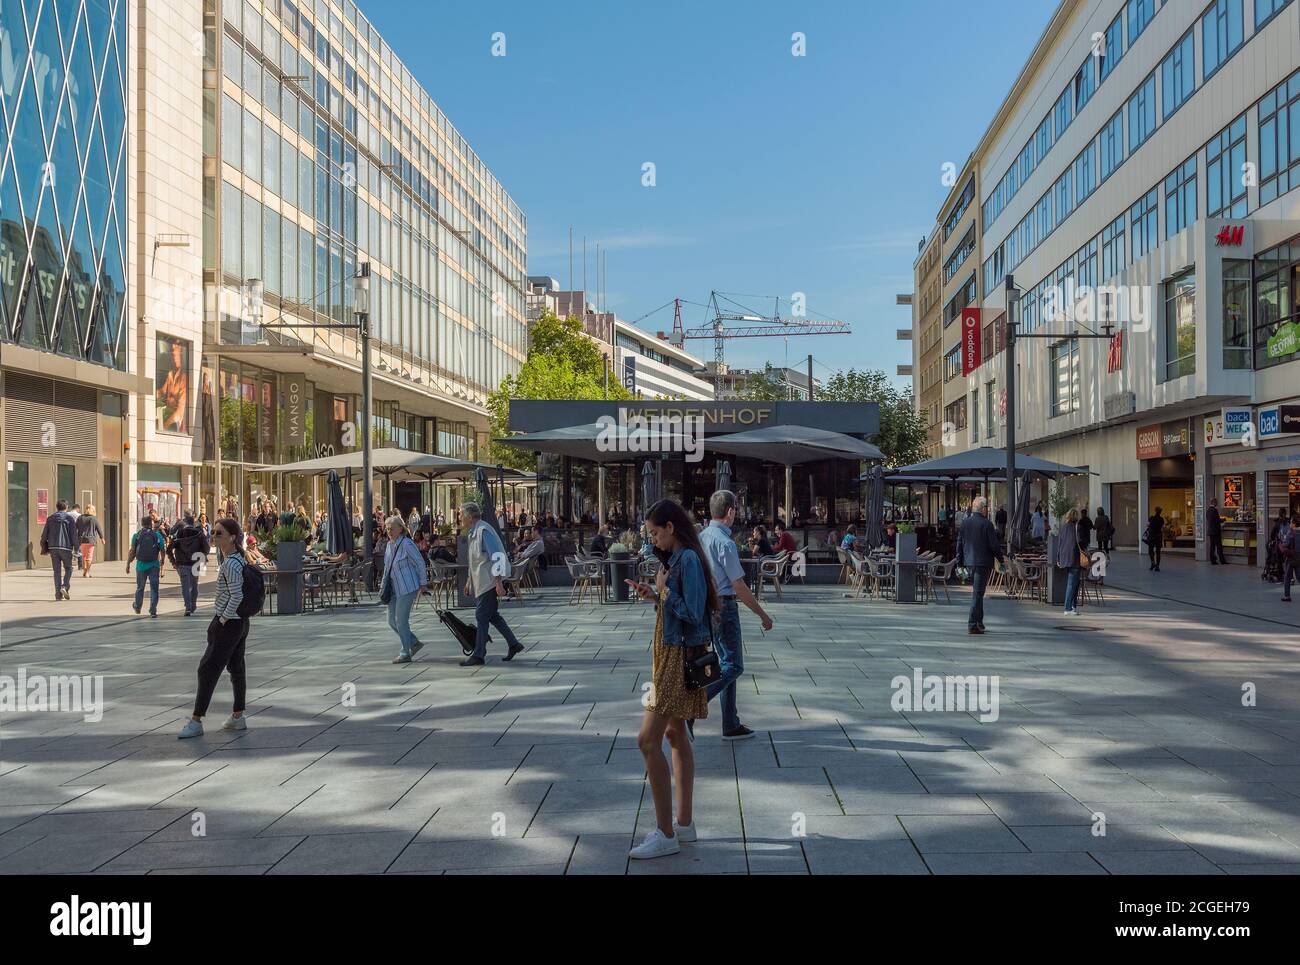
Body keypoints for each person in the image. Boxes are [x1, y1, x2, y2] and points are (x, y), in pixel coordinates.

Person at [626, 498, 713, 859]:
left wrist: (661, 590)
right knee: (676, 734)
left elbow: (693, 611)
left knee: (647, 741)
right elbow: (676, 604)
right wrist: (655, 595)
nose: (653, 541)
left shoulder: (688, 559)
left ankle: (665, 834)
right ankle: (685, 825)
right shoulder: (678, 559)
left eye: (655, 533)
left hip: (677, 659)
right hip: (671, 652)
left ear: (671, 528)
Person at [698, 490, 773, 743]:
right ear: (730, 512)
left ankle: (730, 723)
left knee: (724, 663)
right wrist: (763, 614)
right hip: (725, 606)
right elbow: (738, 585)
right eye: (736, 509)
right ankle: (696, 700)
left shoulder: (700, 538)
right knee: (734, 665)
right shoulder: (725, 543)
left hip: (707, 606)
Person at [178, 518, 253, 738]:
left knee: (207, 668)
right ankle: (238, 716)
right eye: (215, 532)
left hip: (229, 622)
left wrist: (223, 619)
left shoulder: (230, 563)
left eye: (219, 533)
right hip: (241, 621)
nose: (214, 536)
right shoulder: (238, 559)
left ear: (232, 537)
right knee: (237, 667)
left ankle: (196, 720)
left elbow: (237, 594)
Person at [460, 502, 525, 667]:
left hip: (489, 582)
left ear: (469, 517)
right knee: (492, 616)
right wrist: (469, 581)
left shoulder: (483, 531)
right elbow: (474, 561)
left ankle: (479, 654)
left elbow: (496, 556)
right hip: (483, 582)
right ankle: (514, 644)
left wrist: (498, 582)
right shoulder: (473, 532)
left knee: (481, 616)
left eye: (461, 515)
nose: (460, 518)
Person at [380, 516, 427, 664]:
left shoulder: (407, 544)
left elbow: (419, 562)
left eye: (392, 529)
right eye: (387, 529)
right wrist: (382, 587)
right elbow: (387, 568)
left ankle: (405, 653)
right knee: (391, 621)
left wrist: (423, 583)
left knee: (401, 620)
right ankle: (412, 642)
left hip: (407, 587)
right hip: (393, 587)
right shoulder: (389, 545)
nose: (389, 531)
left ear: (401, 529)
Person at [955, 495, 1004, 635]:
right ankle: (972, 623)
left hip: (969, 562)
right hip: (983, 563)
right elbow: (994, 545)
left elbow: (959, 543)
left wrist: (959, 561)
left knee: (978, 592)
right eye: (987, 507)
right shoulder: (987, 524)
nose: (987, 510)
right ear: (982, 508)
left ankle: (979, 621)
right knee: (977, 593)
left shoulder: (965, 523)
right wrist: (1000, 559)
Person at [168, 514, 210, 616]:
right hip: (195, 563)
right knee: (194, 585)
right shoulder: (199, 534)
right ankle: (193, 605)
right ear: (194, 522)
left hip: (182, 563)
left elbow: (169, 549)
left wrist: (173, 562)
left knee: (185, 586)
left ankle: (188, 607)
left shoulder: (180, 534)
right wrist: (202, 556)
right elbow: (207, 548)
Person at [127, 516, 166, 617]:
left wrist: (128, 564)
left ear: (142, 523)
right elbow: (162, 549)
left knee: (140, 587)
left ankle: (138, 606)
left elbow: (132, 551)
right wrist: (162, 561)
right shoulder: (157, 535)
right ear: (151, 524)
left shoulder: (137, 535)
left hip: (141, 565)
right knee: (154, 588)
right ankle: (153, 609)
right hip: (154, 564)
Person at [40, 499, 78, 601]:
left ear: (57, 507)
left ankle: (58, 595)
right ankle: (64, 586)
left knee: (56, 571)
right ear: (66, 507)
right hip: (66, 547)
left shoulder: (50, 518)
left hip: (53, 548)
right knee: (69, 568)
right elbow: (74, 535)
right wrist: (77, 548)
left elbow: (44, 534)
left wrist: (43, 545)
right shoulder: (69, 519)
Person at [1057, 508, 1083, 617]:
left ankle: (1073, 607)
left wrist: (1058, 558)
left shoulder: (1063, 527)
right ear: (1076, 517)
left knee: (1074, 584)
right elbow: (1080, 542)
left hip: (1065, 558)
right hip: (1074, 559)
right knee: (1072, 584)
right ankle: (1068, 608)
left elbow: (1059, 543)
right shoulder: (1077, 527)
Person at [76, 504, 104, 578]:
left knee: (84, 556)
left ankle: (84, 571)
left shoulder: (80, 517)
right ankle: (87, 572)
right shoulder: (93, 519)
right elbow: (99, 529)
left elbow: (76, 527)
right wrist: (102, 538)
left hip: (81, 540)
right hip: (90, 540)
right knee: (89, 557)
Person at [1280, 514, 1297, 602]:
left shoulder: (1291, 533)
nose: (1290, 524)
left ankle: (1287, 596)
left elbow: (1286, 544)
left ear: (1294, 524)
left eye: (1290, 522)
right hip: (1298, 558)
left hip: (1291, 558)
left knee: (1287, 577)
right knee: (1299, 576)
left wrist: (1281, 545)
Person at [1206, 499, 1227, 565]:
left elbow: (1210, 520)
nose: (1217, 504)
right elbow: (1217, 520)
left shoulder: (1208, 510)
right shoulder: (1214, 510)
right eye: (1216, 502)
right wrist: (1224, 519)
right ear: (1214, 502)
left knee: (1212, 546)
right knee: (1219, 546)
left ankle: (1213, 560)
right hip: (1216, 531)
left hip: (1210, 531)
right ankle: (1222, 561)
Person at [1145, 507, 1165, 571]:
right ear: (1160, 512)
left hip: (1152, 536)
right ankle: (1157, 566)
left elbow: (1148, 525)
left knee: (1150, 549)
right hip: (1158, 536)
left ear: (1155, 511)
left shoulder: (1151, 518)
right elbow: (1162, 527)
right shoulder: (1161, 519)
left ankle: (1153, 562)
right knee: (1158, 551)